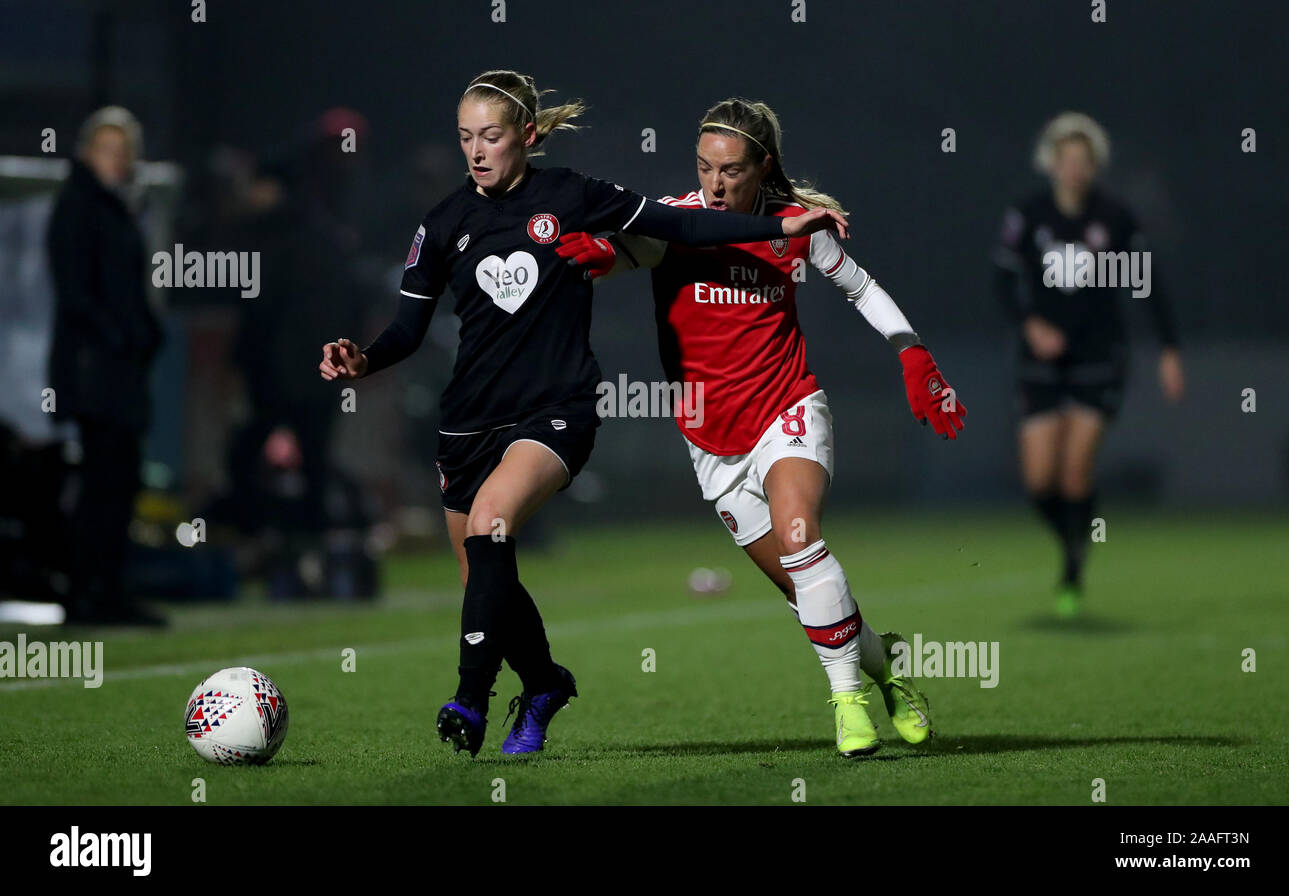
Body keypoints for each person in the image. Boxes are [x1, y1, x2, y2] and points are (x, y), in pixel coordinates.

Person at [319, 71, 848, 758]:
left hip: (555, 410)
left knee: (490, 526)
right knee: (483, 576)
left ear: (527, 136)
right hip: (468, 422)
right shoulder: (443, 222)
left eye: (492, 136)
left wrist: (781, 222)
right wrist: (363, 358)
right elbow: (407, 330)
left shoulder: (572, 195)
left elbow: (681, 221)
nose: (476, 151)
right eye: (465, 137)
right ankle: (542, 684)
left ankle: (469, 701)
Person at [556, 98, 965, 757]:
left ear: (762, 167)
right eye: (704, 167)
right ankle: (887, 673)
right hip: (711, 442)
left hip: (789, 408)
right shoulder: (676, 223)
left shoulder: (795, 226)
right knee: (805, 590)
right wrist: (598, 255)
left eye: (731, 170)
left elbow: (860, 288)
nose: (715, 183)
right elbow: (622, 252)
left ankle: (846, 704)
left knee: (803, 536)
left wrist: (912, 351)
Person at [992, 112, 1183, 617]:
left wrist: (1168, 350)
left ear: (1094, 165)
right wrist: (1031, 324)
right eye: (1066, 159)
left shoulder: (1116, 217)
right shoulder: (1028, 215)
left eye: (1084, 160)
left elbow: (1148, 285)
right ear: (1051, 163)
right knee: (1038, 483)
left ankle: (1074, 566)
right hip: (1040, 364)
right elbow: (1001, 282)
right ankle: (1073, 541)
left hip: (1100, 357)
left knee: (1075, 477)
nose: (1075, 168)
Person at [47, 106, 165, 627]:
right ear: (87, 151)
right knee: (102, 480)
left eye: (125, 151)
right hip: (97, 370)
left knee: (120, 479)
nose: (119, 161)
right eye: (108, 149)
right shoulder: (78, 207)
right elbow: (76, 292)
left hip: (118, 370)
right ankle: (86, 591)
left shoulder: (116, 209)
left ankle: (107, 588)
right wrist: (118, 337)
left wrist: (144, 335)